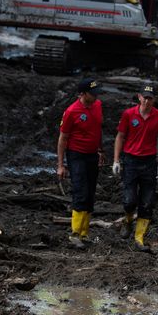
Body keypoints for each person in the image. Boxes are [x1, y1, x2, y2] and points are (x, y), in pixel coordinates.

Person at [112, 83, 158, 251]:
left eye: (150, 98)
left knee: (147, 202)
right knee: (129, 201)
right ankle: (128, 221)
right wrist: (116, 160)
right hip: (131, 161)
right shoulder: (129, 114)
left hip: (149, 162)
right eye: (144, 97)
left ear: (154, 100)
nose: (147, 101)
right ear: (139, 97)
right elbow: (120, 136)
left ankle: (139, 239)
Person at [57, 78, 104, 248]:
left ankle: (84, 233)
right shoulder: (72, 111)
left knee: (90, 192)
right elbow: (63, 138)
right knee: (80, 191)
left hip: (92, 154)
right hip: (76, 155)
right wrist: (60, 165)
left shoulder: (97, 105)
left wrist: (100, 150)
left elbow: (97, 129)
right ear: (82, 94)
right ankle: (75, 234)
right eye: (92, 93)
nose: (96, 96)